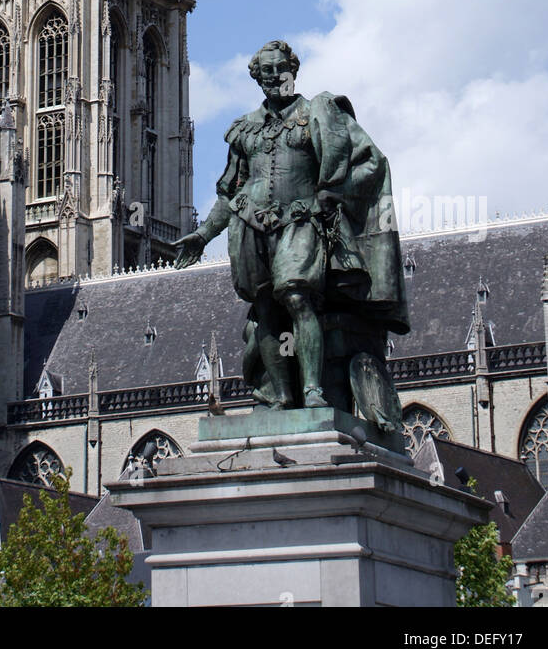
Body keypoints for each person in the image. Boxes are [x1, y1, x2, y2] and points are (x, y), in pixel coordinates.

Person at [174, 40, 409, 413]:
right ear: (257, 77)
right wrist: (204, 235)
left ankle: (313, 390)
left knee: (297, 295)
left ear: (292, 71)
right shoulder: (244, 129)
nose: (272, 77)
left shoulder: (319, 113)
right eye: (265, 71)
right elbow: (231, 192)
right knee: (266, 307)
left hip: (301, 220)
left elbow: (371, 162)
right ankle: (282, 394)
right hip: (251, 228)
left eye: (279, 69)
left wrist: (332, 196)